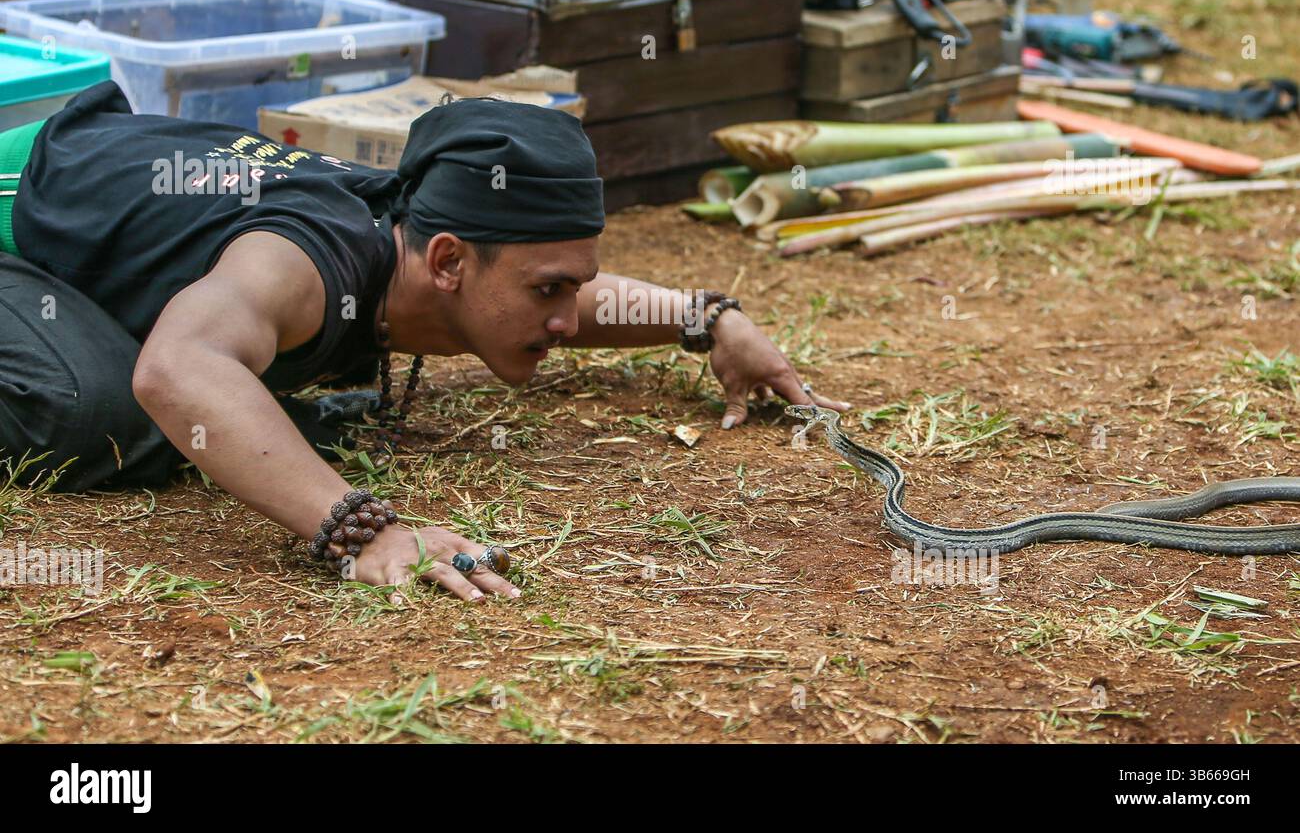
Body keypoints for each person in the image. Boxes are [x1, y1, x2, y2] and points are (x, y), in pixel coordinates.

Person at [0, 82, 849, 603]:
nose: (566, 315)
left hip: (79, 236)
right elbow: (178, 370)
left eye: (573, 285)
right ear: (447, 260)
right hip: (16, 226)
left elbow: (543, 299)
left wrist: (707, 320)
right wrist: (362, 531)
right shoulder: (302, 263)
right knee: (94, 406)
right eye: (548, 289)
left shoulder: (427, 259)